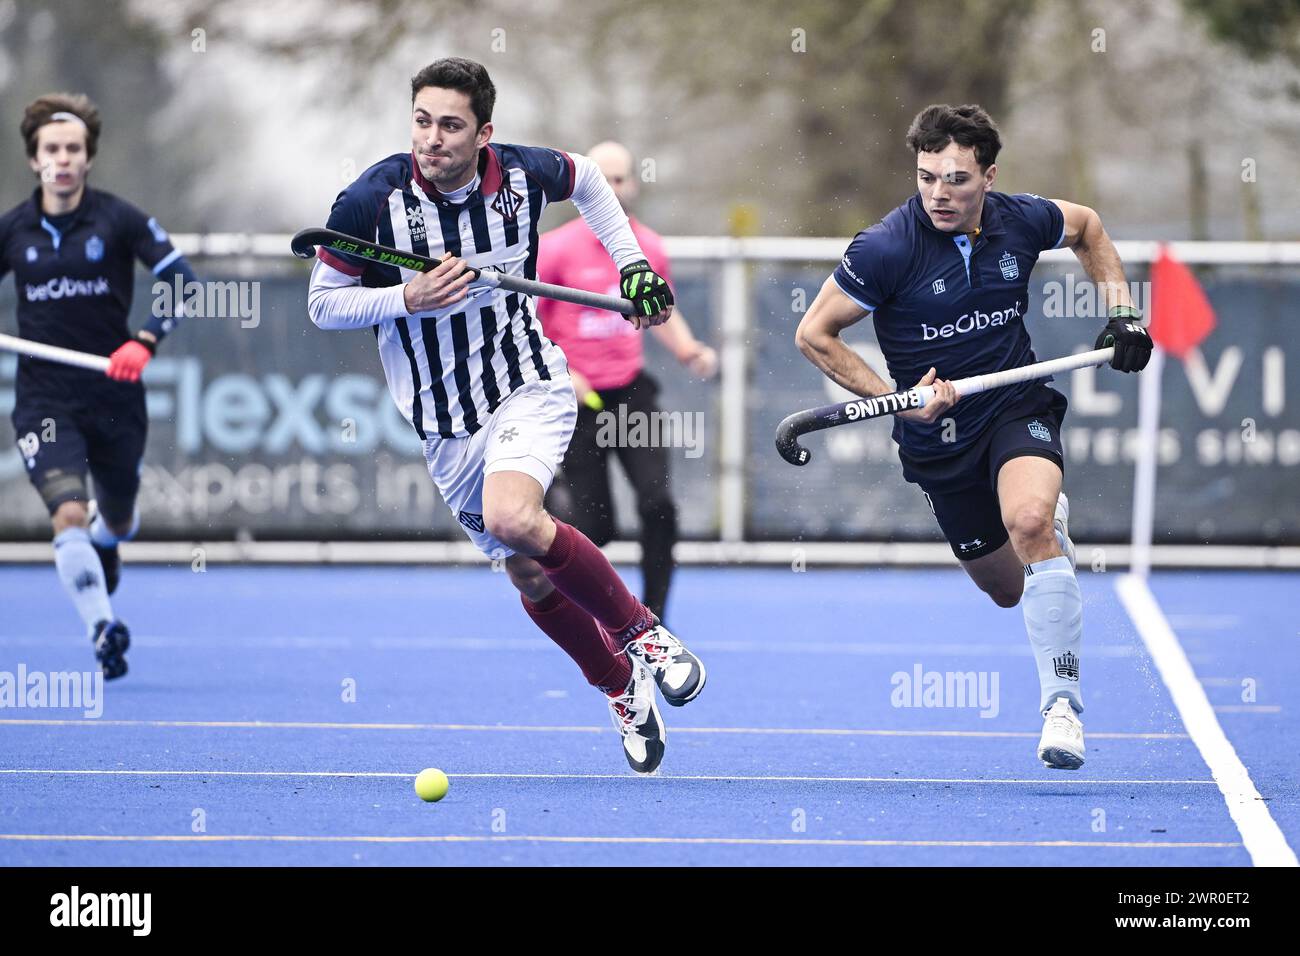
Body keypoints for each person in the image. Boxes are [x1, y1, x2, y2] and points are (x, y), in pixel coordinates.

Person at [306, 58, 707, 774]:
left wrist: (630, 265)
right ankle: (622, 687)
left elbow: (586, 177)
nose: (432, 139)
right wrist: (406, 298)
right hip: (442, 421)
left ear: (484, 132)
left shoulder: (520, 176)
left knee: (515, 518)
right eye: (422, 121)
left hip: (526, 383)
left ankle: (642, 632)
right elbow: (322, 303)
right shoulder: (370, 199)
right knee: (528, 573)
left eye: (451, 125)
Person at [795, 104, 1152, 769]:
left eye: (956, 179)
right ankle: (1038, 538)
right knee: (1007, 588)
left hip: (1015, 404)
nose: (938, 194)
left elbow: (1090, 228)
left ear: (990, 176)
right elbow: (814, 334)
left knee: (1029, 518)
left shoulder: (1021, 219)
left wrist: (1122, 313)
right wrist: (898, 401)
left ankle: (1062, 708)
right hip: (938, 442)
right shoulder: (887, 247)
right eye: (927, 176)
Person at [0, 93, 198, 679]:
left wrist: (145, 341)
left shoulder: (119, 220)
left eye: (73, 150)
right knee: (67, 512)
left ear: (88, 158)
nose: (62, 160)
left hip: (113, 395)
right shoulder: (14, 229)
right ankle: (102, 628)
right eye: (51, 150)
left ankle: (107, 543)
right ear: (35, 160)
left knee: (116, 518)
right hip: (45, 399)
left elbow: (183, 281)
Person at [536, 140, 717, 623]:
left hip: (630, 395)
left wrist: (689, 349)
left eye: (620, 179)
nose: (613, 189)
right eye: (603, 179)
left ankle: (654, 619)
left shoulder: (649, 247)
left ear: (633, 185)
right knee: (596, 528)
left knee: (658, 505)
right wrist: (561, 370)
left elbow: (663, 312)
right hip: (575, 400)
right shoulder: (555, 250)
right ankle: (554, 507)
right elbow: (525, 323)